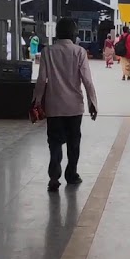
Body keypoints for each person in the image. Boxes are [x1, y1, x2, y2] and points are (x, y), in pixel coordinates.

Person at [34, 17, 98, 192]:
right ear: (73, 33)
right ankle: (72, 175)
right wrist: (93, 103)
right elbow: (87, 80)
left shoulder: (48, 51)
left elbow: (41, 80)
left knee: (54, 142)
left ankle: (54, 177)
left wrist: (37, 101)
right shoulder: (79, 52)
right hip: (74, 107)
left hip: (54, 106)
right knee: (73, 142)